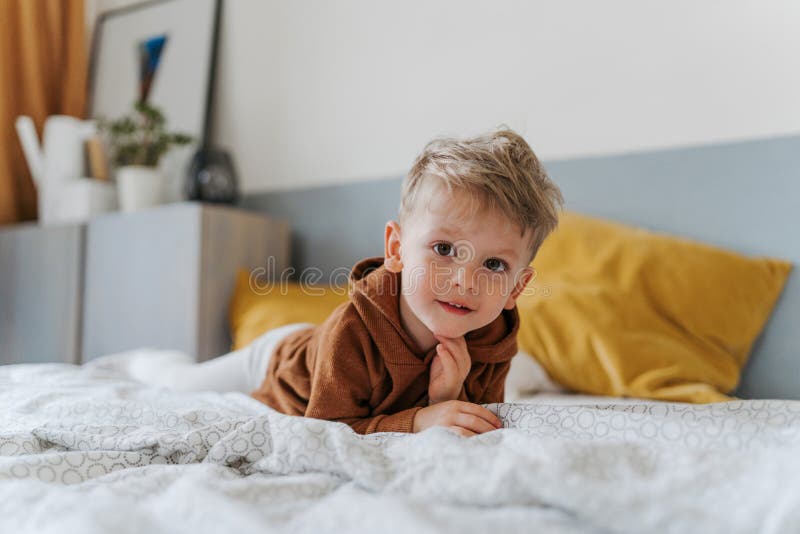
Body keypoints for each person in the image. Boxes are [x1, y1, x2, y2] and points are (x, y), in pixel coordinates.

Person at [89, 128, 563, 437]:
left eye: (494, 266)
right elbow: (325, 431)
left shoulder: (496, 338)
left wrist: (445, 397)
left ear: (517, 287)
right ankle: (147, 361)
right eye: (443, 250)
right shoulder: (355, 329)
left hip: (309, 353)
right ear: (396, 250)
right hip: (277, 362)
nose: (464, 280)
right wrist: (418, 420)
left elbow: (473, 420)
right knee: (177, 385)